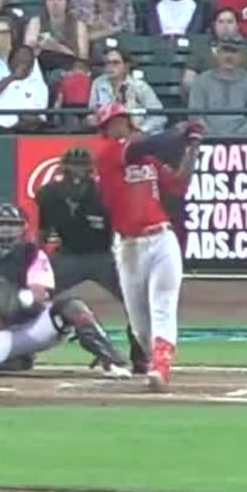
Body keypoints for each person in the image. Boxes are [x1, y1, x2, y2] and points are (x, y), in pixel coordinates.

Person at [89, 102, 205, 392]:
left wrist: (192, 148)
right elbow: (147, 145)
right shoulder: (109, 154)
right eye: (114, 124)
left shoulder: (149, 162)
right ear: (105, 130)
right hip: (128, 247)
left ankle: (161, 369)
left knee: (163, 306)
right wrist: (179, 131)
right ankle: (156, 361)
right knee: (140, 326)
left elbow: (179, 184)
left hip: (162, 239)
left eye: (123, 122)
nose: (120, 128)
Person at [0, 203, 128, 378]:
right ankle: (15, 358)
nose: (6, 229)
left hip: (35, 324)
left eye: (12, 225)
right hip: (2, 328)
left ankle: (111, 359)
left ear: (22, 228)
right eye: (1, 225)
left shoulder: (32, 254)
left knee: (71, 306)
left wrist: (16, 303)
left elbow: (40, 294)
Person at [35, 146, 142, 372]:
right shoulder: (48, 194)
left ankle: (140, 355)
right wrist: (36, 263)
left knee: (136, 301)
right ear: (63, 167)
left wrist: (127, 255)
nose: (76, 172)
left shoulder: (104, 193)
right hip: (67, 255)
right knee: (33, 297)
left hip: (103, 255)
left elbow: (121, 226)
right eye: (72, 166)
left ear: (90, 170)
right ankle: (21, 351)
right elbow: (43, 231)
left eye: (81, 167)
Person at [88, 47, 166, 133]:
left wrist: (142, 131)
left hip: (137, 134)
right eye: (107, 63)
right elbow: (92, 111)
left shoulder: (140, 86)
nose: (110, 67)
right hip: (107, 134)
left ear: (126, 66)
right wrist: (92, 120)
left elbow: (159, 116)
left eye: (115, 63)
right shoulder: (98, 83)